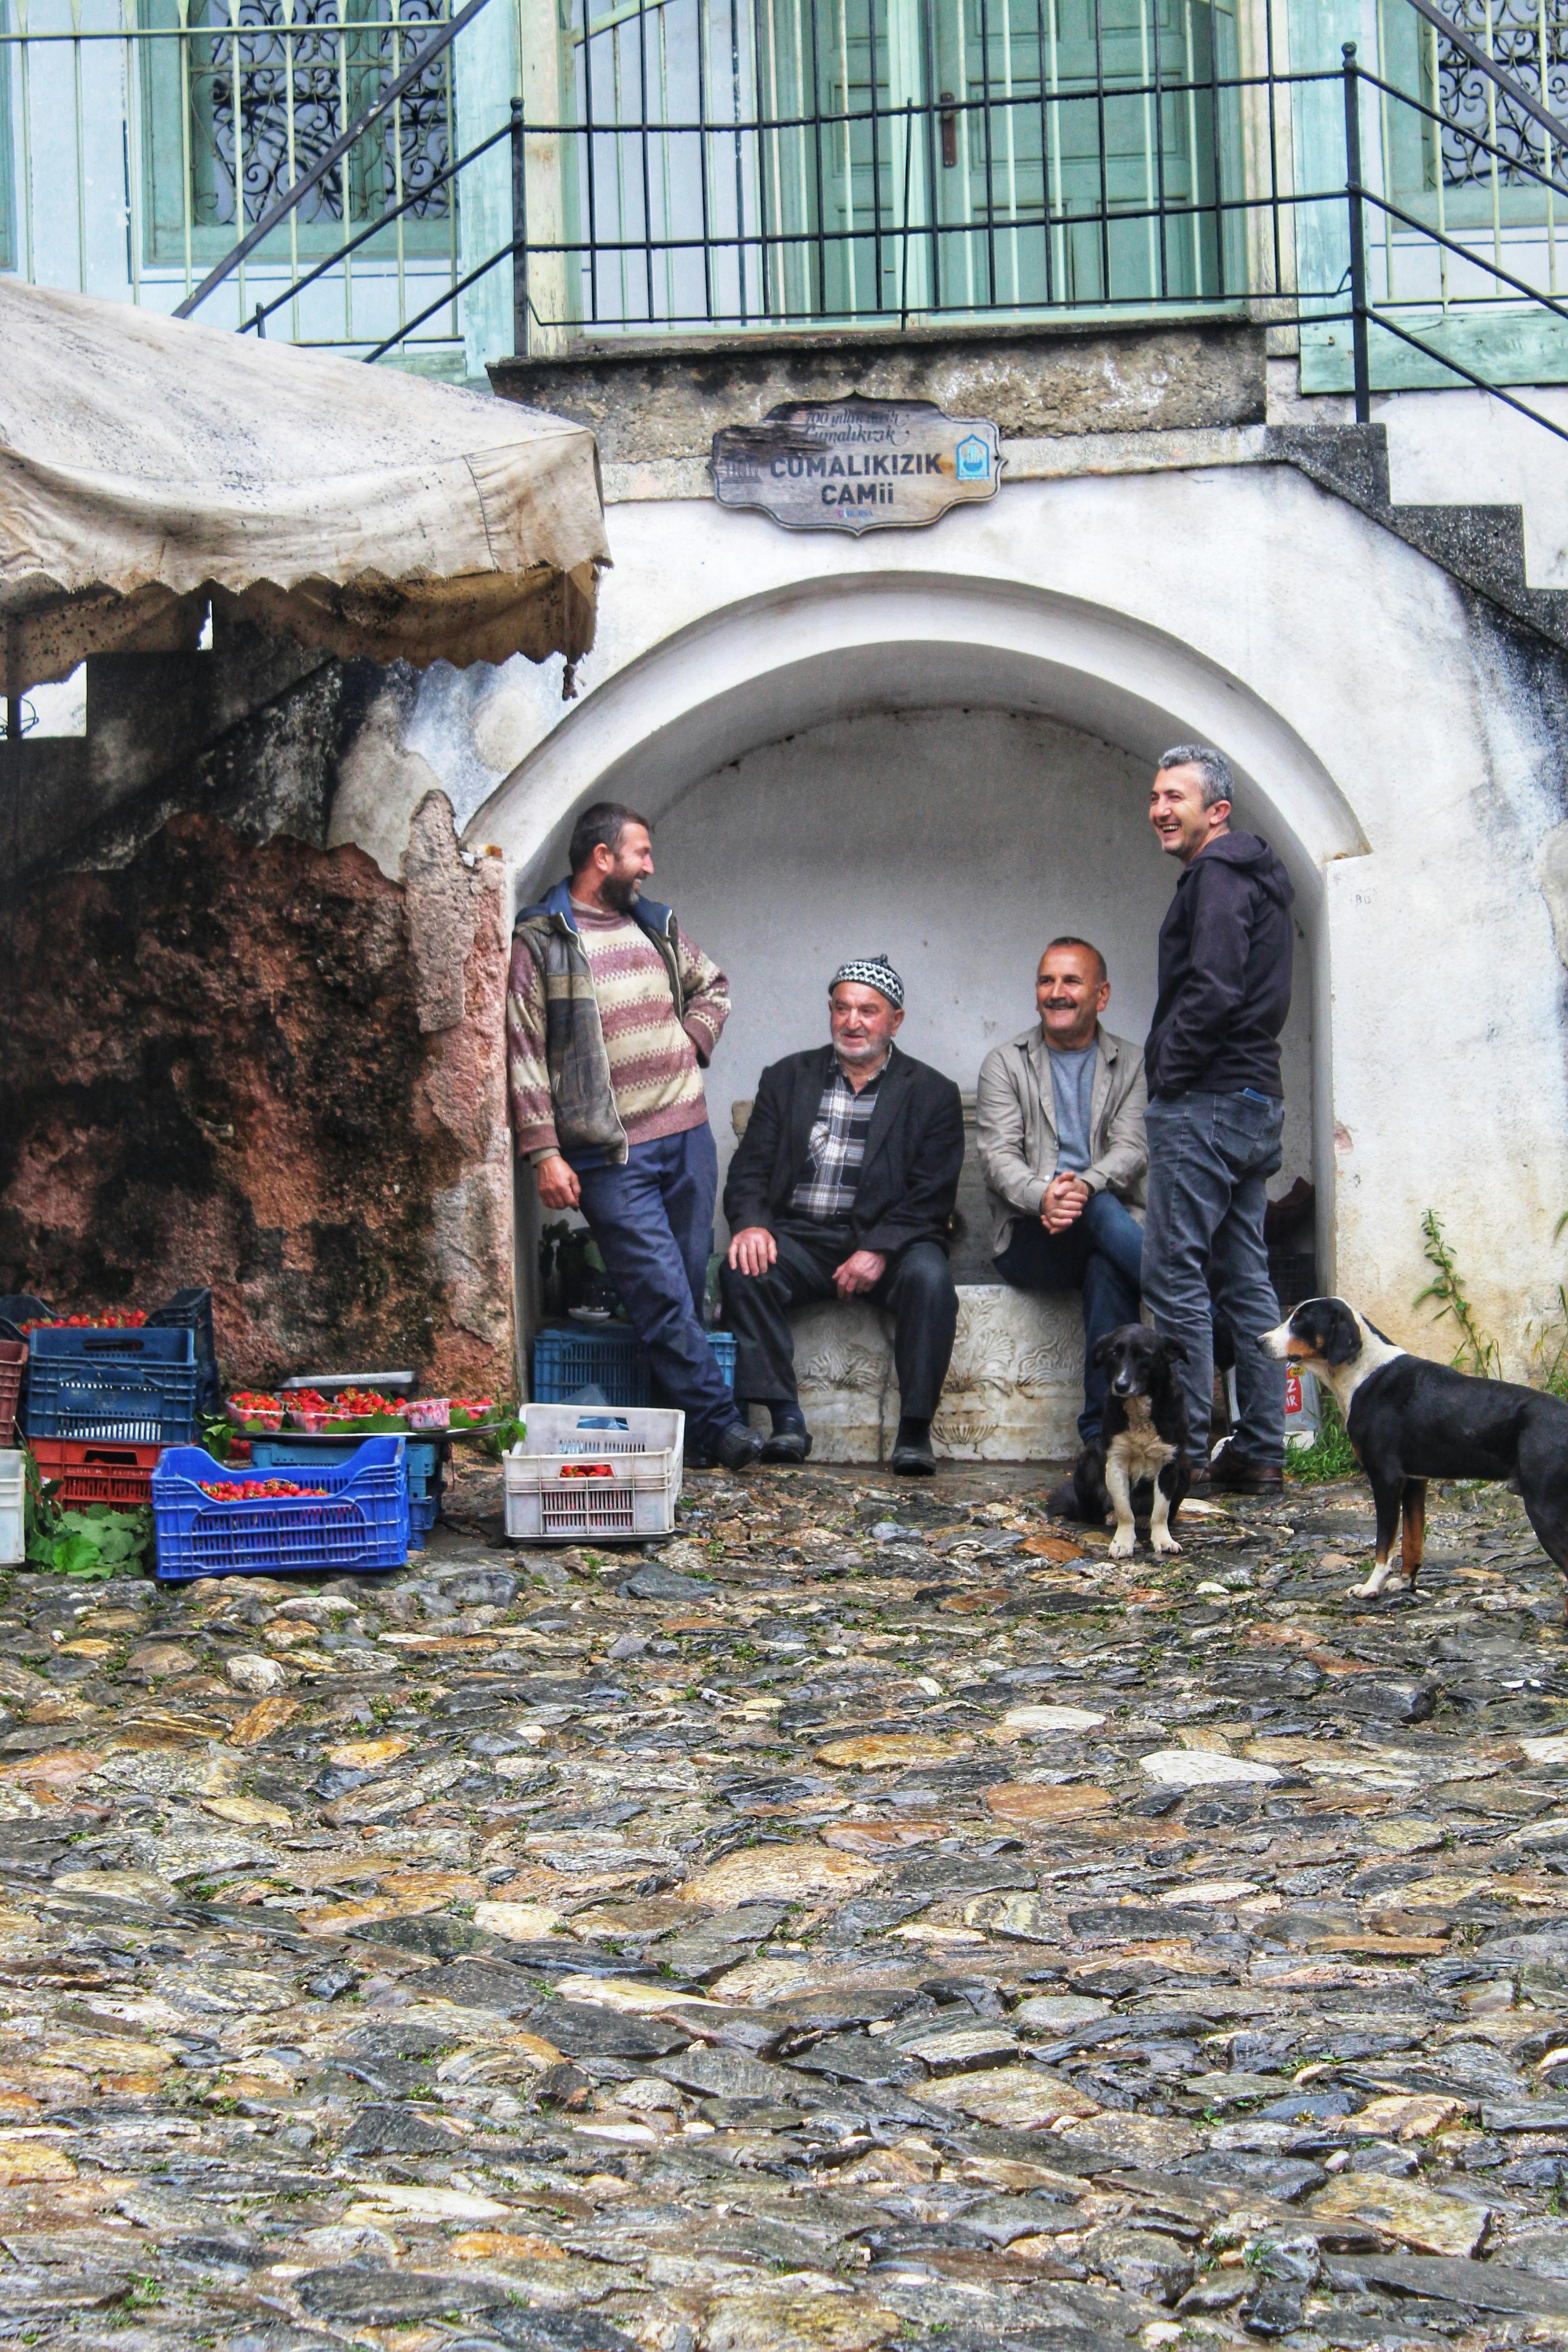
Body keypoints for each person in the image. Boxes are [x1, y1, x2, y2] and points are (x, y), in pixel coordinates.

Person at [508, 800, 763, 1471]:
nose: (650, 868)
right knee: (660, 1293)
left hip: (687, 1135)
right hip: (609, 1155)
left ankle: (677, 1439)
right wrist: (545, 1153)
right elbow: (525, 1054)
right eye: (640, 854)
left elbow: (715, 986)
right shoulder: (543, 941)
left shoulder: (655, 924)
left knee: (680, 1286)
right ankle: (721, 1426)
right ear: (602, 859)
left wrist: (690, 1041)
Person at [721, 956, 964, 1475]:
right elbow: (750, 1171)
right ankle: (787, 1420)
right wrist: (751, 1223)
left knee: (930, 1278)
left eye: (868, 1011)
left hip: (891, 1243)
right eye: (842, 1008)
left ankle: (915, 1432)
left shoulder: (932, 1093)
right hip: (803, 1239)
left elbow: (933, 1195)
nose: (852, 1022)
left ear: (895, 1020)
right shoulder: (787, 1078)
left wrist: (878, 1249)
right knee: (743, 1267)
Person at [1142, 745, 1294, 1494]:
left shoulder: (1217, 876)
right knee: (1245, 1276)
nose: (1160, 808)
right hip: (1254, 1099)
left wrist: (1169, 1072)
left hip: (1204, 1097)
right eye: (1155, 796)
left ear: (1218, 811)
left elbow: (1212, 987)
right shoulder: (1253, 878)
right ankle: (1262, 1448)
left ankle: (1185, 1449)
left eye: (1176, 796)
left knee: (1175, 1274)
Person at [975, 936, 1148, 1448]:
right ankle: (1196, 1308)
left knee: (1105, 1264)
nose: (1057, 992)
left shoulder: (1133, 1062)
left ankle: (1102, 1437)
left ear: (1102, 994)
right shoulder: (1006, 1062)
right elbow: (997, 1158)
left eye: (1071, 980)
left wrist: (1084, 1186)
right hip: (1032, 1238)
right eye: (1047, 980)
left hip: (1104, 1229)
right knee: (1100, 1219)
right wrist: (1043, 1196)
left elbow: (1133, 1149)